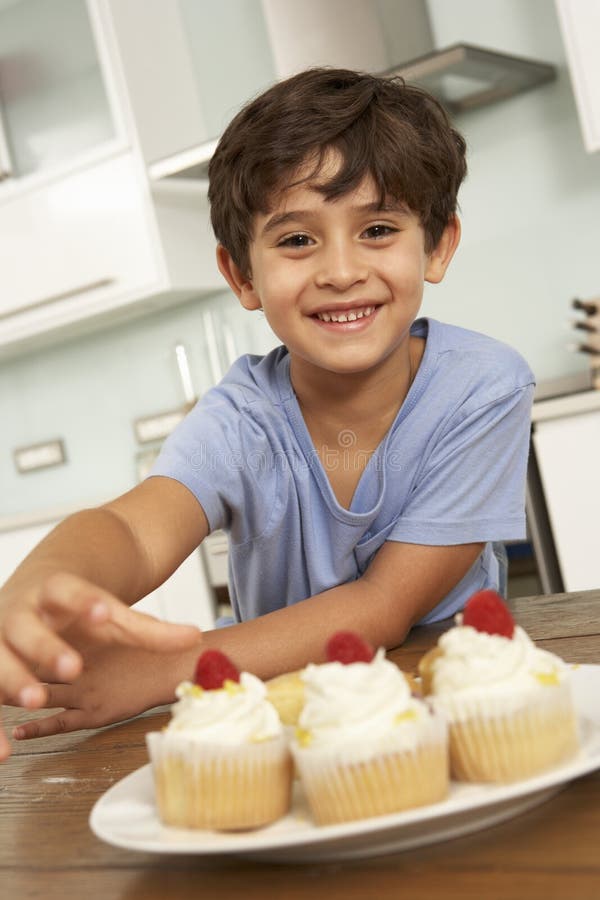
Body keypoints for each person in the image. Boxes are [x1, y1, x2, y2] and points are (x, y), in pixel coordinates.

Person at [0, 67, 535, 761]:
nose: (341, 270)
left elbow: (383, 607)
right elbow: (134, 529)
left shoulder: (484, 389)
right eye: (296, 240)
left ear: (436, 246)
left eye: (377, 229)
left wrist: (165, 672)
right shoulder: (240, 420)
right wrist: (33, 587)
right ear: (241, 276)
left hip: (461, 700)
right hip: (288, 709)